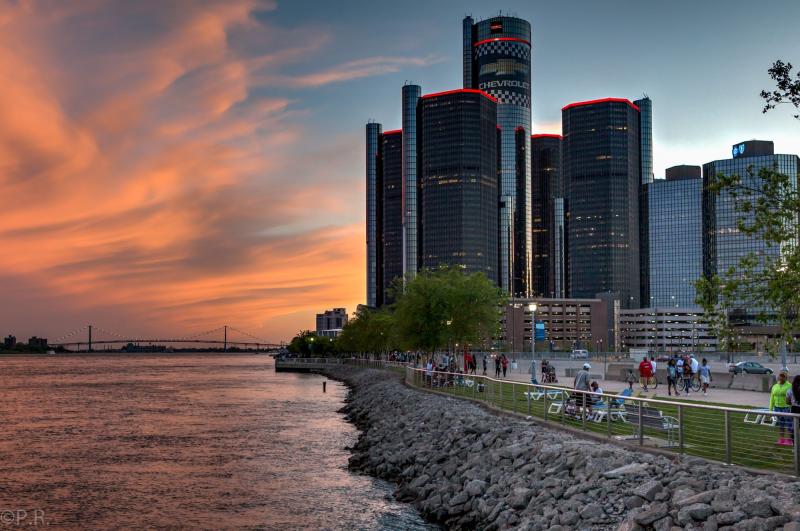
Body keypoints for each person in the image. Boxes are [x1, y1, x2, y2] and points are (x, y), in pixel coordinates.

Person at [770, 371, 793, 446]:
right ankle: (782, 439)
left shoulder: (790, 386)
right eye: (780, 376)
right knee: (781, 424)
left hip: (786, 408)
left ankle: (789, 440)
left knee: (789, 424)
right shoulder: (775, 386)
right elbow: (772, 398)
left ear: (786, 378)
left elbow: (792, 397)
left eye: (783, 376)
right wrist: (770, 409)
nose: (781, 377)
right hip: (777, 408)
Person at [786, 375, 800, 443]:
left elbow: (787, 402)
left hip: (794, 410)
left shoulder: (790, 390)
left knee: (794, 428)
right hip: (796, 409)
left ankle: (795, 446)